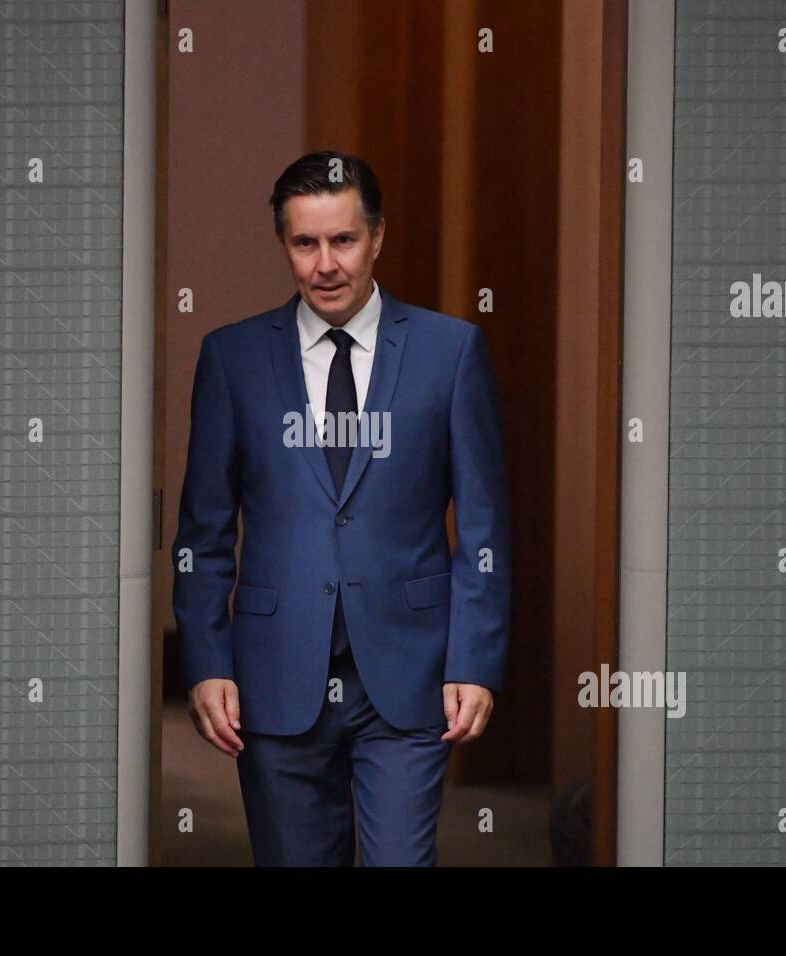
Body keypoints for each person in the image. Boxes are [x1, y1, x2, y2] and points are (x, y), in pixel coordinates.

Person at [172, 151, 511, 866]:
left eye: (343, 241)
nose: (326, 264)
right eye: (305, 243)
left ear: (378, 238)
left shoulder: (450, 353)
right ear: (285, 245)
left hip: (408, 678)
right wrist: (205, 661)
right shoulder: (231, 360)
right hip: (275, 678)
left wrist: (475, 660)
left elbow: (484, 527)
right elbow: (202, 535)